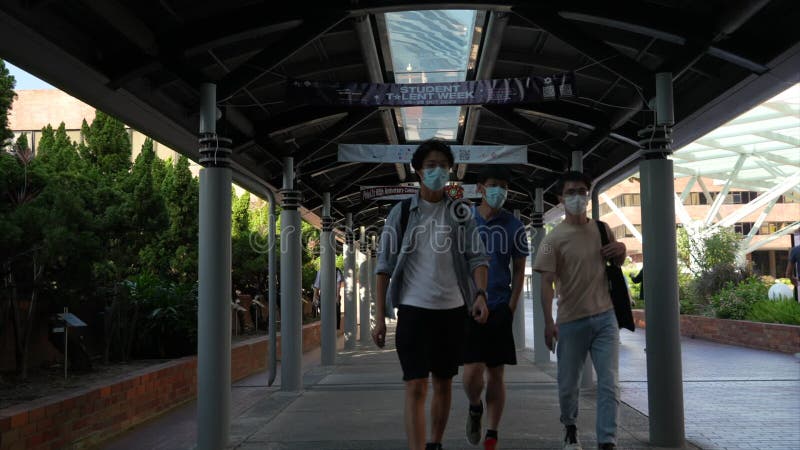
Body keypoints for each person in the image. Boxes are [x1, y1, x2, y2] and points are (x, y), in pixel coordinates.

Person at [373, 139, 490, 450]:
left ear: (450, 171)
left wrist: (480, 294)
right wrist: (379, 319)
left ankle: (434, 444)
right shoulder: (400, 213)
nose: (437, 170)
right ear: (418, 172)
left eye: (443, 165)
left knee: (442, 383)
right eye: (430, 165)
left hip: (452, 311)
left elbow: (477, 258)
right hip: (413, 310)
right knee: (415, 385)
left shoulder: (461, 212)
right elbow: (383, 266)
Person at [532, 171, 627, 450]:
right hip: (571, 321)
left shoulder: (601, 228)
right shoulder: (552, 239)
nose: (578, 197)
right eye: (571, 192)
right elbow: (546, 284)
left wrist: (620, 248)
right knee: (567, 386)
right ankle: (570, 427)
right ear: (560, 198)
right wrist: (548, 323)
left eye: (582, 191)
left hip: (605, 316)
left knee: (609, 383)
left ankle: (607, 441)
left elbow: (617, 261)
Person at [462, 165, 529, 450]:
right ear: (480, 188)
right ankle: (475, 406)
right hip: (469, 308)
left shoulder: (514, 225)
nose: (499, 191)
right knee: (472, 372)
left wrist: (512, 307)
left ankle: (492, 432)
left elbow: (518, 269)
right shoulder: (465, 221)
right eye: (494, 185)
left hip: (500, 306)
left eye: (504, 186)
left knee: (496, 373)